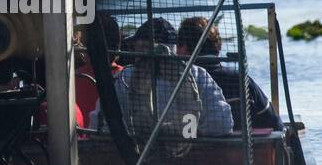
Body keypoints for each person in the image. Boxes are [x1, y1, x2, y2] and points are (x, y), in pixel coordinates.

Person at [98, 18, 232, 139]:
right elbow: (221, 124)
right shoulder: (199, 76)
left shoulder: (123, 78)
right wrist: (189, 136)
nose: (137, 54)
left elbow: (98, 126)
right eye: (136, 48)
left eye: (141, 48)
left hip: (133, 159)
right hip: (192, 158)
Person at [176, 17, 281, 130]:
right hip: (243, 145)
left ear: (183, 48)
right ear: (219, 46)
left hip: (190, 144)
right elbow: (274, 122)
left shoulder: (176, 83)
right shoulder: (240, 80)